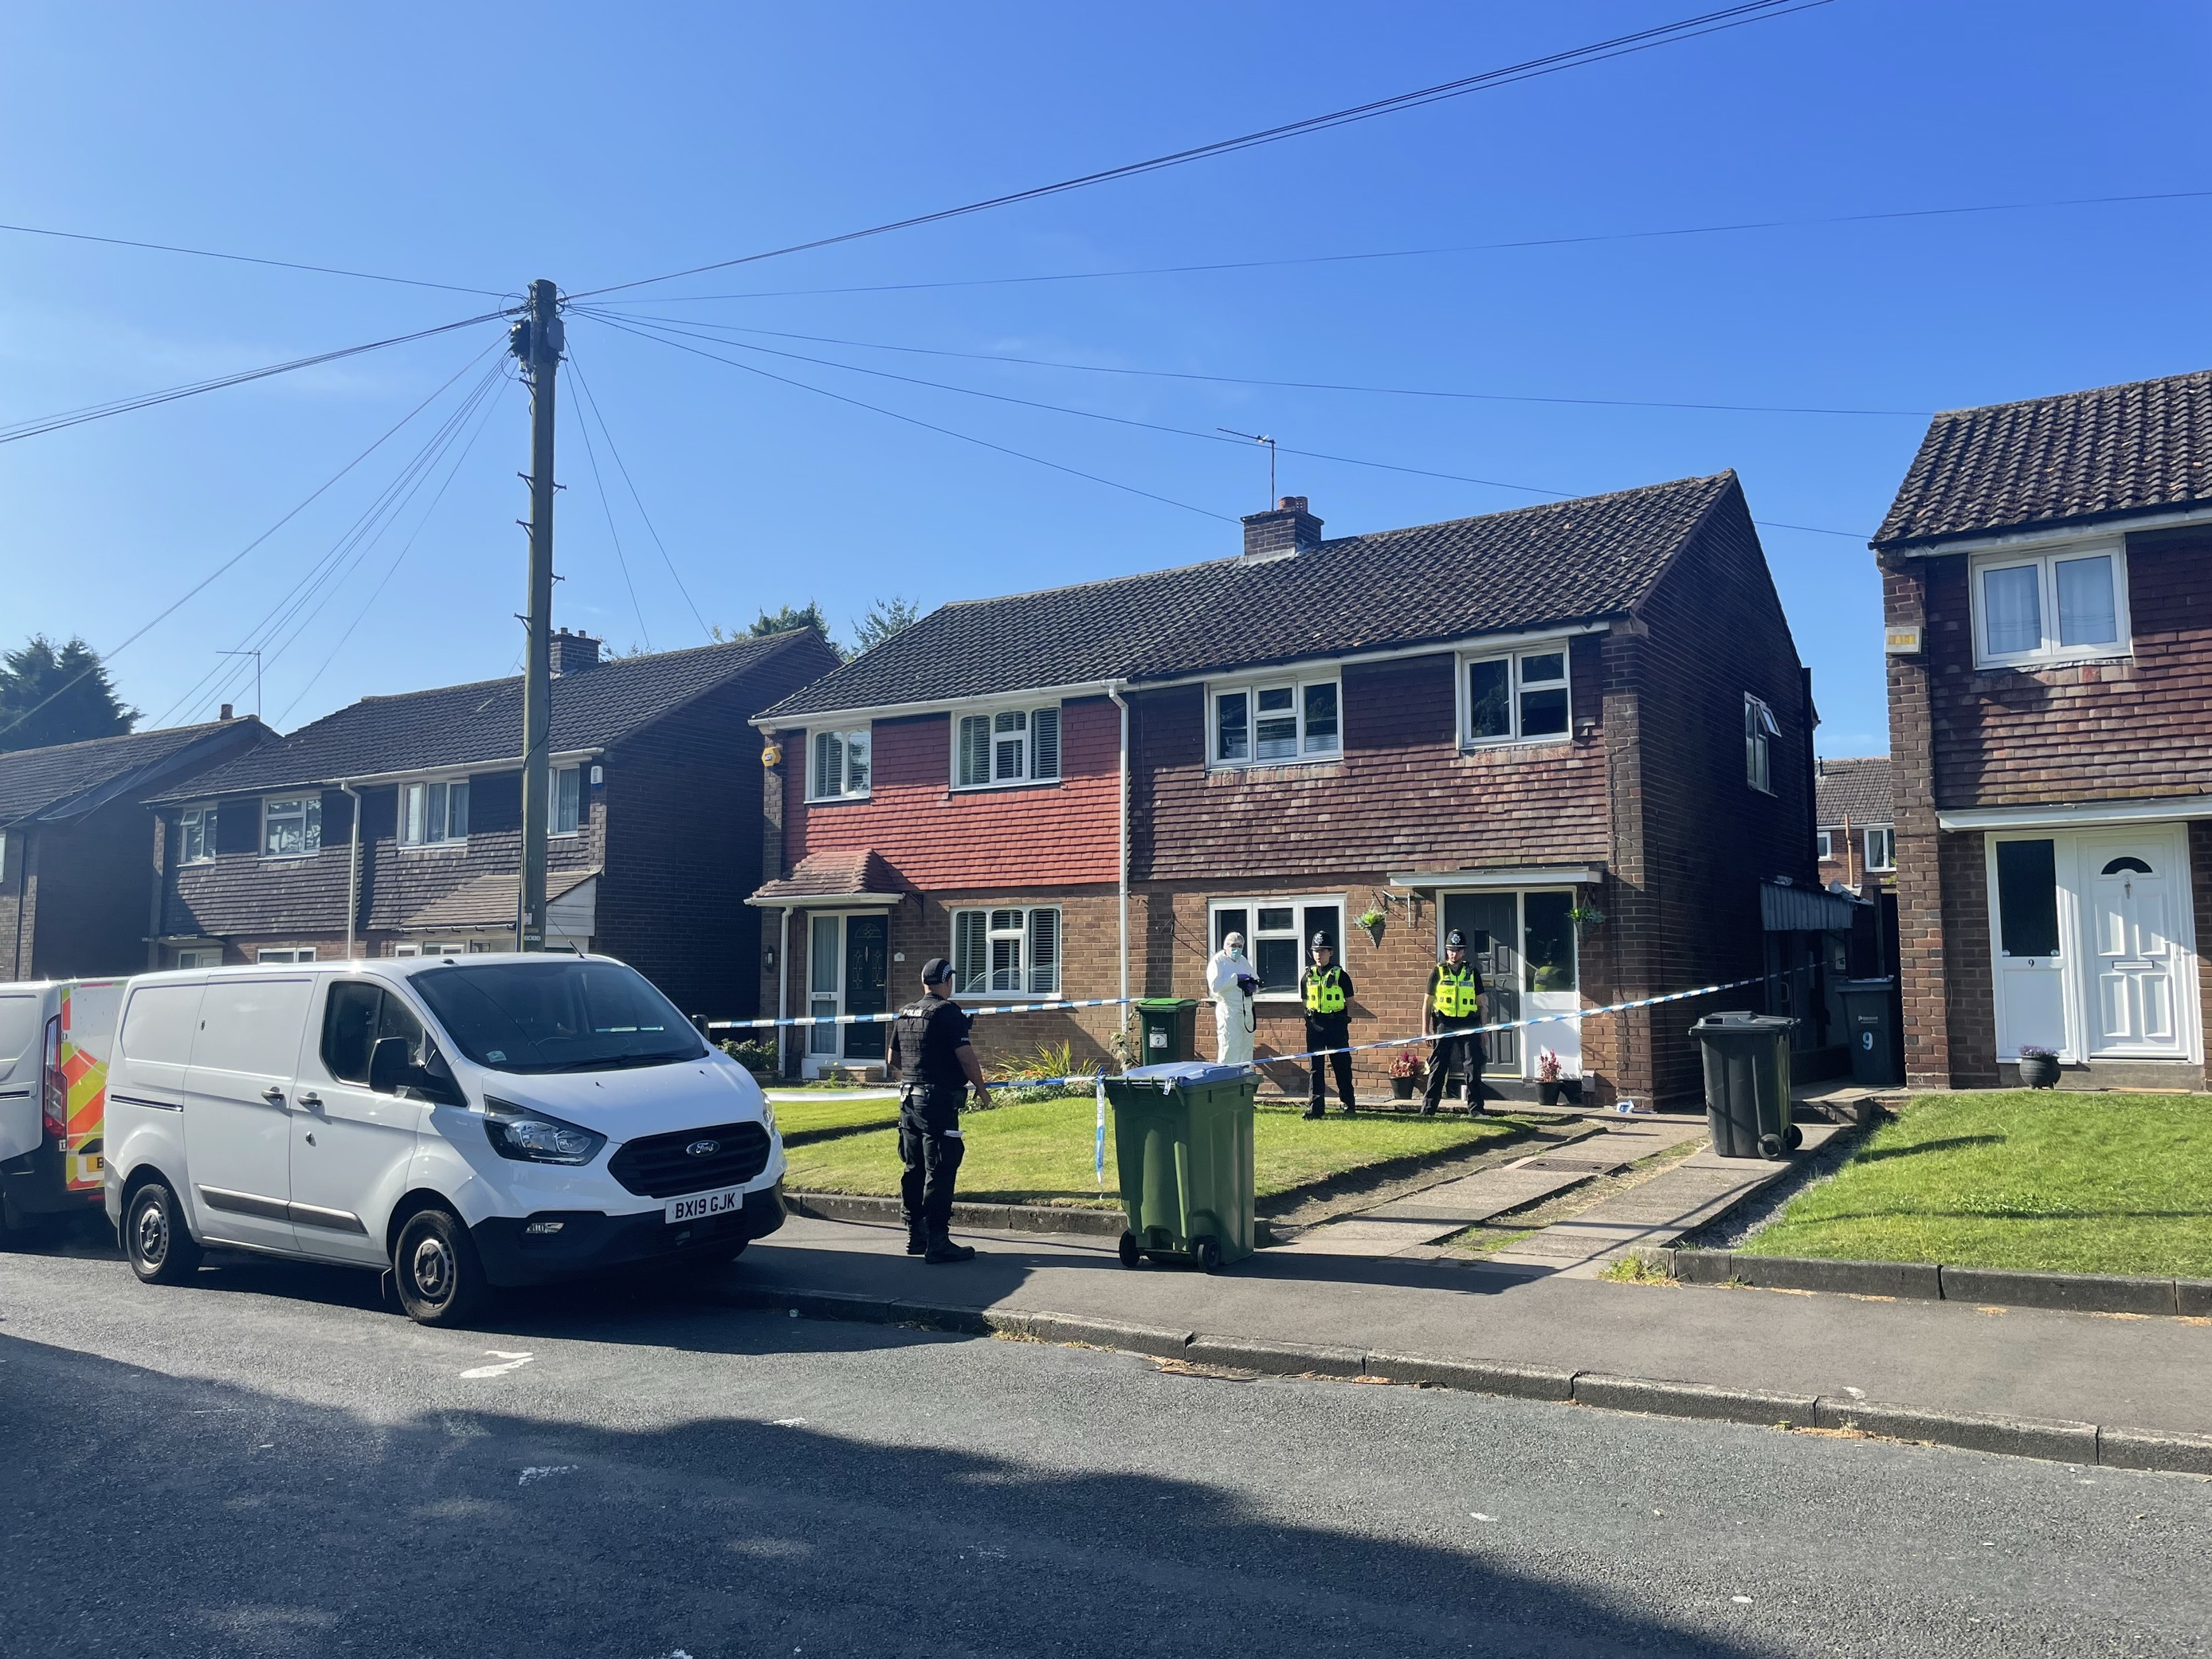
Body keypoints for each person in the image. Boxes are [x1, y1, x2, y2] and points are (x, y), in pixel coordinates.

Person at [887, 956, 991, 1263]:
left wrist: (920, 1069)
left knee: (913, 1166)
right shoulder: (948, 1012)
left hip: (908, 1099)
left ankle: (915, 1234)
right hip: (937, 1101)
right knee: (941, 1167)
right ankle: (938, 1240)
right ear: (947, 982)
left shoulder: (906, 1012)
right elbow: (966, 1057)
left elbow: (893, 1058)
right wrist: (982, 1091)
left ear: (923, 982)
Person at [1422, 929, 1487, 1116]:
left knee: (1472, 1067)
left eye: (1458, 950)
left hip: (1469, 1023)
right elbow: (1427, 1003)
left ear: (1464, 952)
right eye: (1451, 949)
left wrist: (1484, 1030)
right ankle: (1427, 1111)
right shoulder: (1438, 971)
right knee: (1438, 1066)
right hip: (1445, 1023)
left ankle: (1476, 1111)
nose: (1454, 953)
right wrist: (1425, 1030)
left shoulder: (1472, 972)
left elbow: (1482, 1003)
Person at [1300, 932, 1356, 1117]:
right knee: (1315, 1067)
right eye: (1315, 951)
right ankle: (1316, 1108)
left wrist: (1346, 1020)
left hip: (1336, 1024)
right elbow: (1304, 1000)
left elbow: (1350, 1001)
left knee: (1341, 1065)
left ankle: (1348, 1104)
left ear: (1330, 953)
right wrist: (1308, 1020)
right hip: (1315, 1025)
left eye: (1322, 951)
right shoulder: (1308, 975)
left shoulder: (1340, 975)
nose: (1318, 954)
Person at [1206, 931, 1258, 1065]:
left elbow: (1255, 978)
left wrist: (1253, 986)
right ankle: (1227, 1081)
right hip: (1229, 1011)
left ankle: (1245, 1081)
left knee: (1246, 1049)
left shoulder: (1243, 961)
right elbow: (1214, 987)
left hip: (1246, 1011)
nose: (1237, 949)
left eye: (1240, 946)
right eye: (1234, 945)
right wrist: (1235, 979)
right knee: (1229, 1048)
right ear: (1226, 946)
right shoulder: (1218, 961)